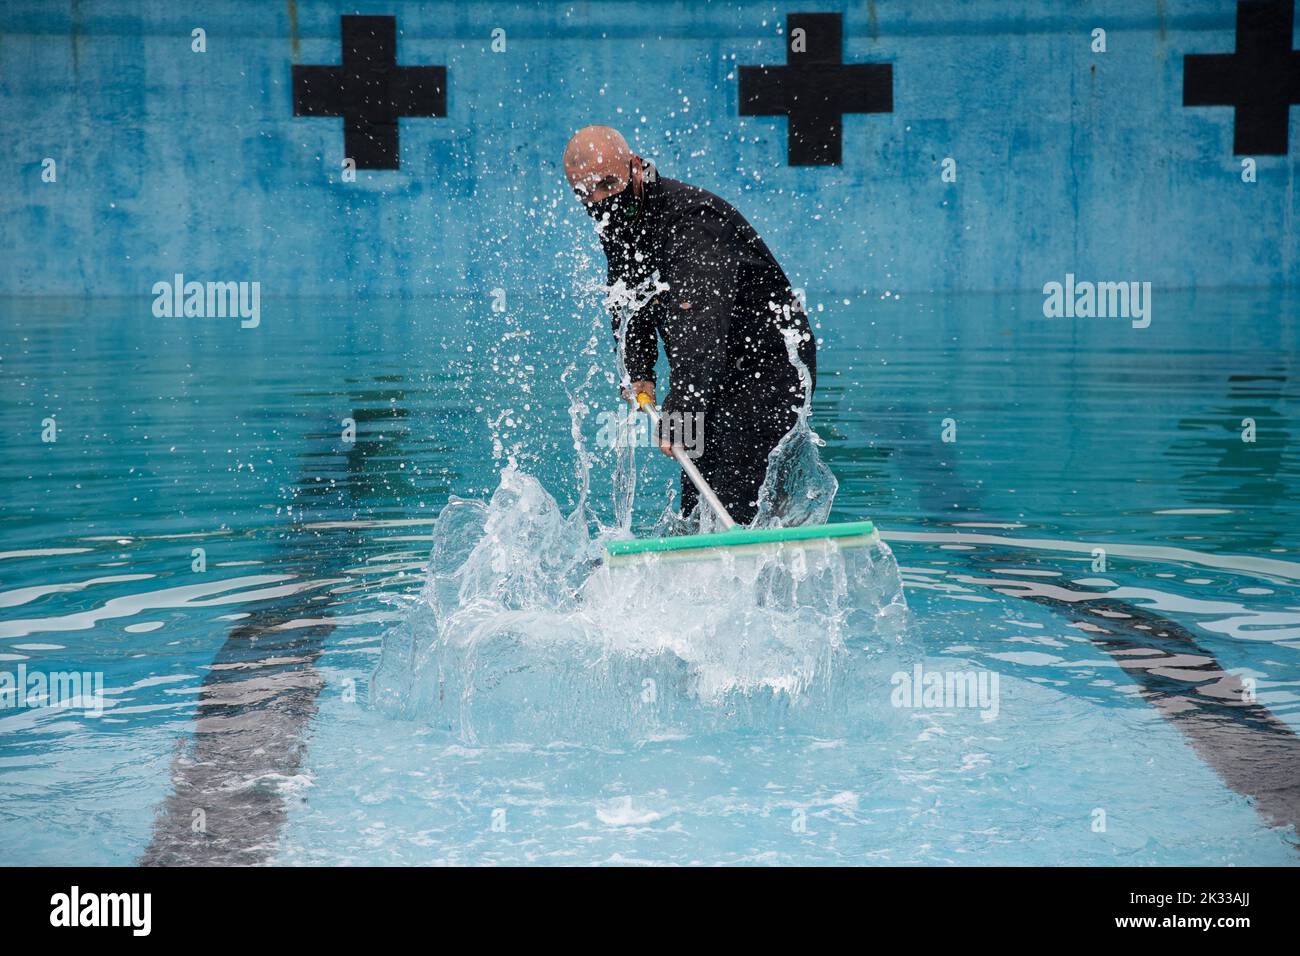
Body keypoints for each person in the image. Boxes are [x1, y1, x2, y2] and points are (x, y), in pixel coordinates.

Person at [563, 125, 816, 525]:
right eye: (585, 194)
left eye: (608, 183)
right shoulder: (620, 219)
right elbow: (630, 298)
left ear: (633, 167)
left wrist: (681, 408)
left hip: (768, 364)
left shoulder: (692, 221)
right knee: (700, 496)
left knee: (739, 491)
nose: (599, 200)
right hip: (709, 367)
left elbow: (698, 325)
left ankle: (764, 556)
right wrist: (639, 371)